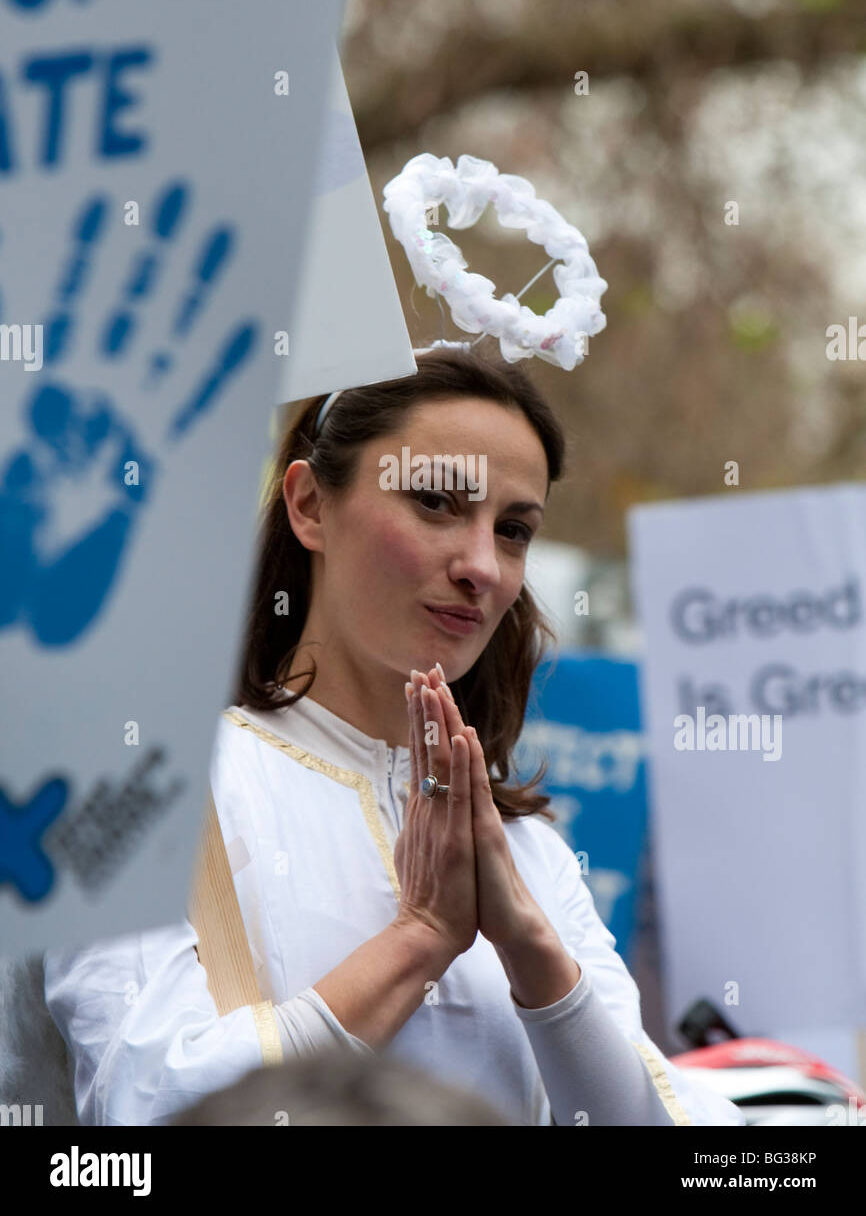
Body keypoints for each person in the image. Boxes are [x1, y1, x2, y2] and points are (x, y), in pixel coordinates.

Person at [44, 344, 744, 1126]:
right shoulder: (138, 783)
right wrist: (419, 941)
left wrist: (536, 957)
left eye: (514, 529)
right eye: (437, 502)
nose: (482, 564)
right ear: (310, 505)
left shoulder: (531, 853)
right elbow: (149, 1109)